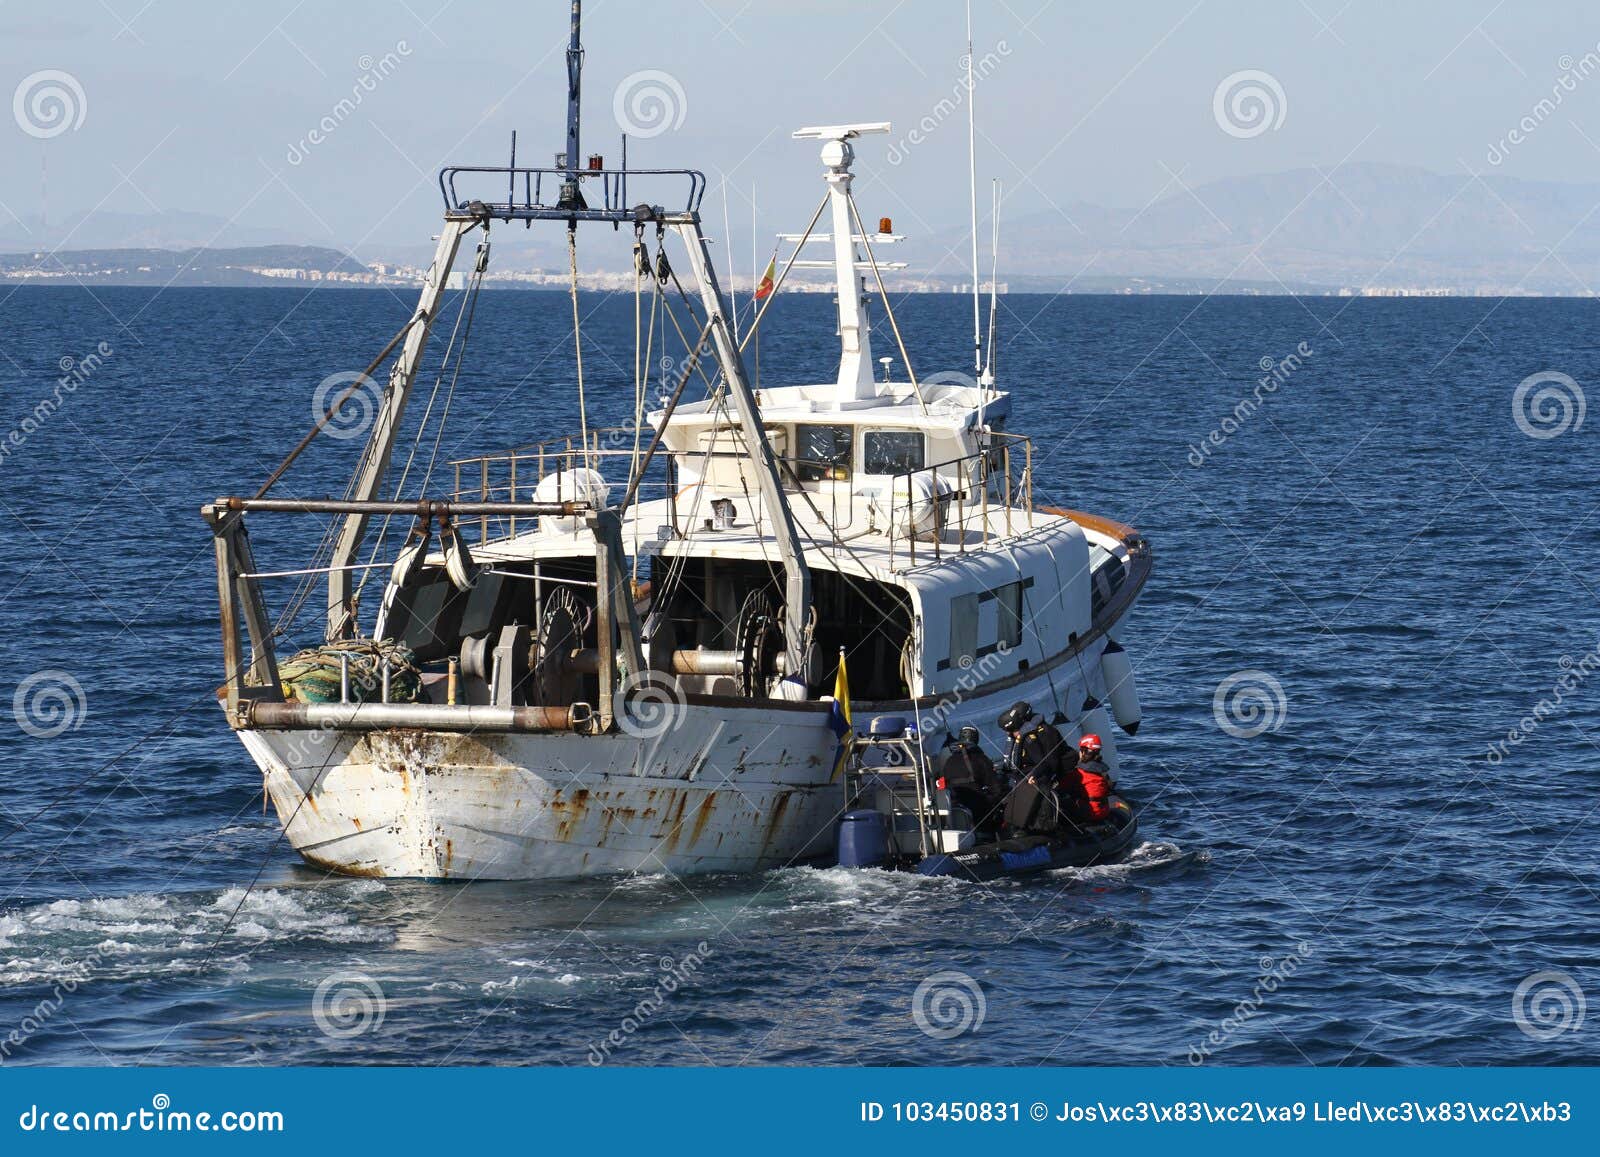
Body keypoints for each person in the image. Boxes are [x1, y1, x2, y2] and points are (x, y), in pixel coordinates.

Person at [995, 702, 1078, 835]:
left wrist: (1035, 774)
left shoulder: (1040, 735)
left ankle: (1042, 825)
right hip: (1033, 770)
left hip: (1048, 771)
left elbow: (1049, 761)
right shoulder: (1026, 735)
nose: (1009, 735)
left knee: (1037, 788)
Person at [933, 726, 1001, 831]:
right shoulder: (981, 759)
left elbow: (943, 783)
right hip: (976, 809)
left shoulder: (949, 760)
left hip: (954, 807)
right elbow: (995, 787)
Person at [1074, 734, 1114, 823]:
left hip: (1090, 813)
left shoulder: (1079, 772)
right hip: (1104, 811)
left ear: (1083, 752)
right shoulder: (1103, 771)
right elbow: (1110, 787)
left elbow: (1063, 786)